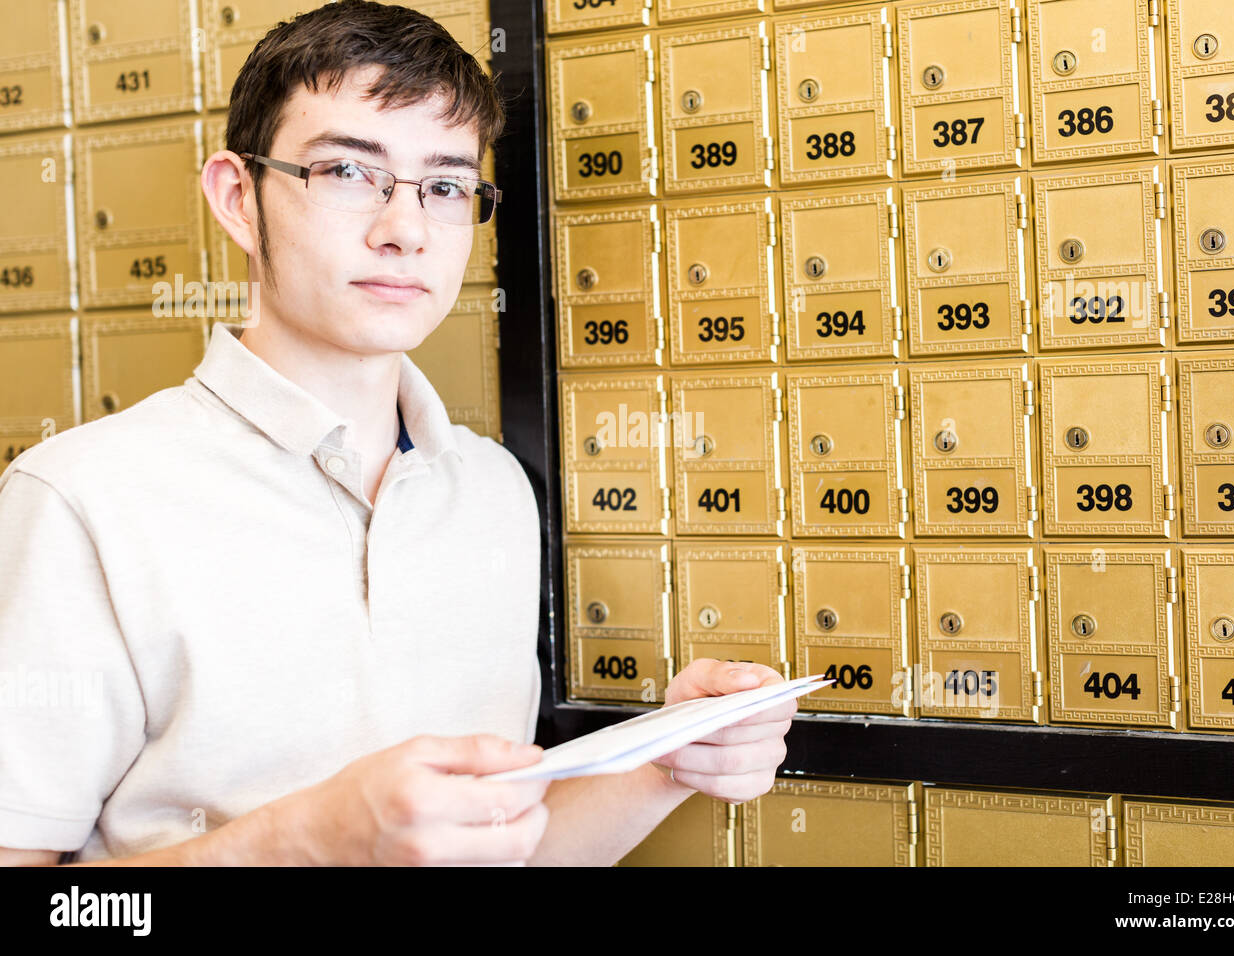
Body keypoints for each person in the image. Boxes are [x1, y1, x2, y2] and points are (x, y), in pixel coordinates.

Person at [0, 0, 794, 866]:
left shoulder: (491, 491)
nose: (405, 230)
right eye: (347, 171)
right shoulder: (80, 499)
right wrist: (305, 840)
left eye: (446, 185)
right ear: (238, 197)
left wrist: (671, 760)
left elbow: (508, 850)